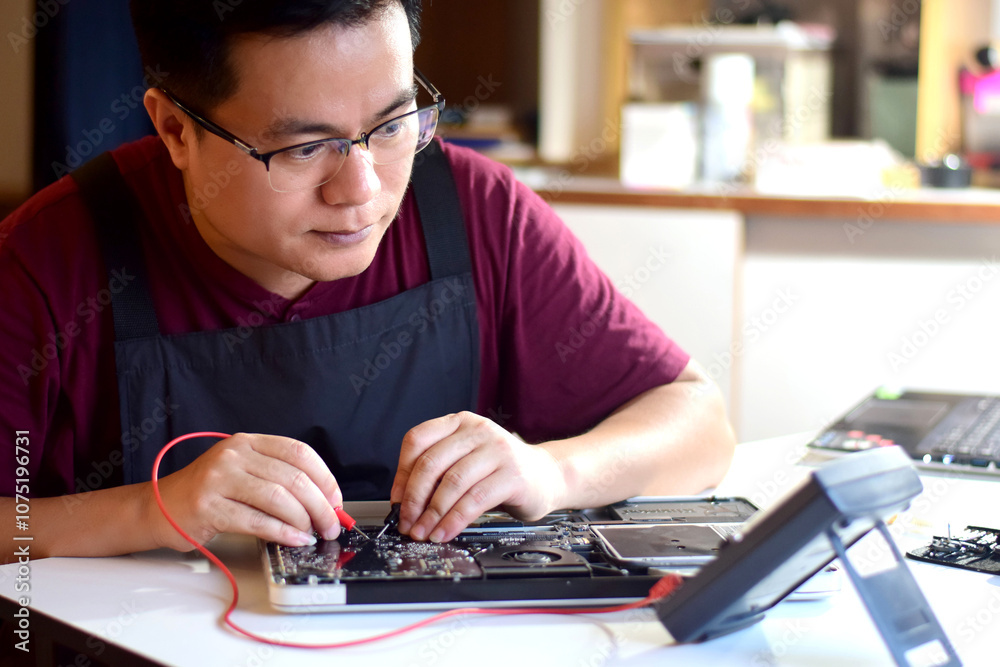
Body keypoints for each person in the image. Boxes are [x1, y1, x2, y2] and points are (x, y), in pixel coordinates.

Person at [0, 0, 735, 562]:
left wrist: (551, 471)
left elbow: (699, 425)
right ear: (176, 133)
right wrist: (150, 510)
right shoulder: (47, 260)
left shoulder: (475, 211)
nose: (361, 190)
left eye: (391, 125)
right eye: (304, 147)